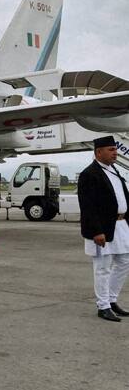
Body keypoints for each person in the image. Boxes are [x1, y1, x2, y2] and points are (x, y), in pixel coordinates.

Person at [77, 135, 129, 322]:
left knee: (124, 261)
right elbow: (88, 206)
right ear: (98, 152)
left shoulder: (114, 170)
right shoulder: (89, 174)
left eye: (115, 149)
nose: (115, 153)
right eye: (111, 150)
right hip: (102, 228)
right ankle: (103, 306)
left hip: (121, 224)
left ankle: (112, 300)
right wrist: (96, 231)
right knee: (103, 267)